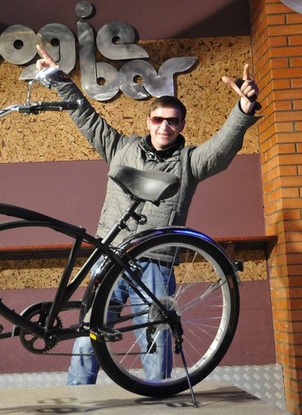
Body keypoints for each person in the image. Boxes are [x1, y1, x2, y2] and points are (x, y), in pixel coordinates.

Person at [35, 45, 261, 385]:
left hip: (156, 261)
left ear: (182, 124)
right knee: (88, 334)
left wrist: (243, 109)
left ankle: (159, 395)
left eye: (172, 121)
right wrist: (59, 78)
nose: (164, 126)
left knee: (157, 339)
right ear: (148, 121)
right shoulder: (119, 147)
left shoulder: (189, 162)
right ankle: (79, 393)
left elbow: (222, 149)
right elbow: (85, 116)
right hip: (110, 255)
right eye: (158, 119)